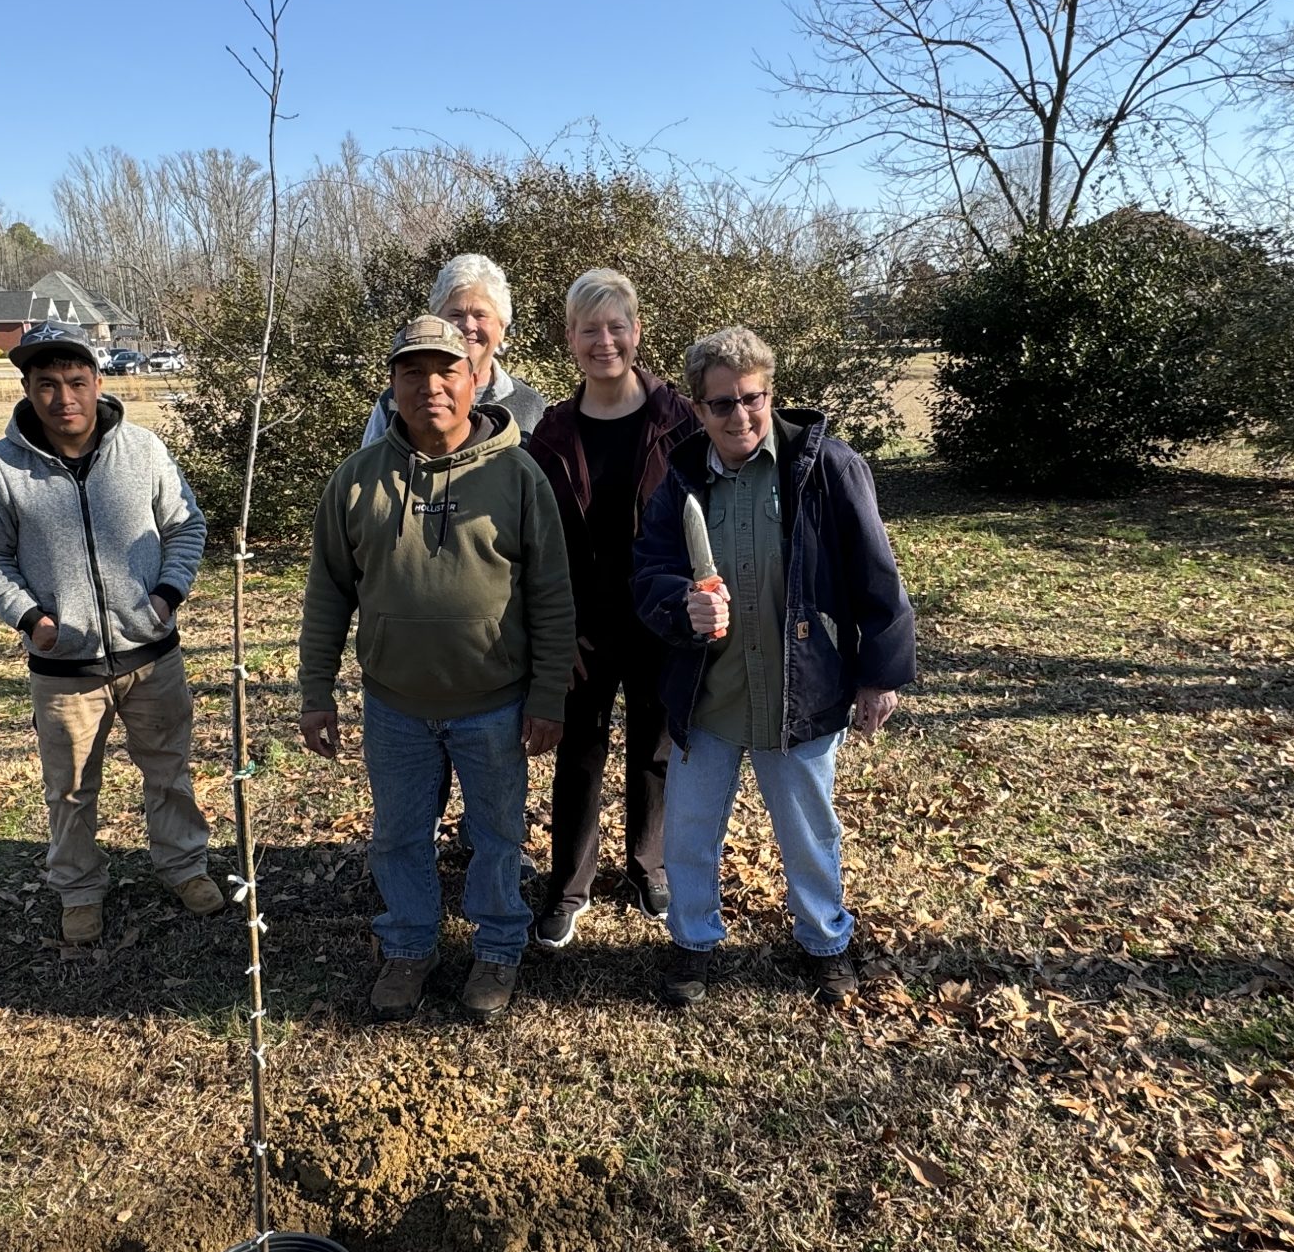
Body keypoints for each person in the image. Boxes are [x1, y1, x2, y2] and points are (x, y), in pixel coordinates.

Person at [299, 314, 574, 1023]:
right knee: (397, 835)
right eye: (412, 372)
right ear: (392, 386)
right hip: (395, 705)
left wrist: (548, 695)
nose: (430, 386)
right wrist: (316, 691)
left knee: (496, 835)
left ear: (475, 378)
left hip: (495, 703)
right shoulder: (356, 481)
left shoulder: (518, 476)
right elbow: (329, 589)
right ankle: (411, 945)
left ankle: (498, 948)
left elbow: (550, 594)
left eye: (445, 370)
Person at [632, 327, 915, 1007]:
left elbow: (877, 576)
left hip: (803, 688)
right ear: (697, 409)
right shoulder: (681, 481)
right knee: (692, 832)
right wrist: (680, 605)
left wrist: (879, 673)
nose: (741, 416)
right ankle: (692, 942)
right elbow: (648, 574)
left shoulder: (827, 468)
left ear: (771, 393)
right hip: (709, 695)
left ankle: (825, 941)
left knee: (809, 831)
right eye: (722, 404)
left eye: (752, 398)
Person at [0, 320, 216, 946]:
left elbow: (187, 525)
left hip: (152, 655)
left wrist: (165, 596)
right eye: (47, 384)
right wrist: (31, 620)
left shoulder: (144, 451)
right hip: (64, 666)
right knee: (69, 788)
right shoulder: (1, 467)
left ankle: (183, 866)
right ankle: (78, 888)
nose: (64, 398)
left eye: (76, 381)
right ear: (27, 388)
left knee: (169, 771)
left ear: (99, 382)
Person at [526, 269, 698, 947]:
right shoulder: (552, 433)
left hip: (661, 621)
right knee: (580, 753)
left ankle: (648, 867)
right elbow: (536, 546)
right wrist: (551, 633)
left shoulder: (678, 420)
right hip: (582, 624)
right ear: (570, 338)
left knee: (656, 748)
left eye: (616, 326)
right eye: (590, 329)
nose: (605, 342)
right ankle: (569, 886)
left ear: (637, 331)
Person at [360, 254, 546, 446]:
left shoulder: (529, 405)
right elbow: (369, 469)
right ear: (436, 320)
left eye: (480, 315)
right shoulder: (394, 402)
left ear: (502, 329)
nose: (468, 325)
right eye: (456, 314)